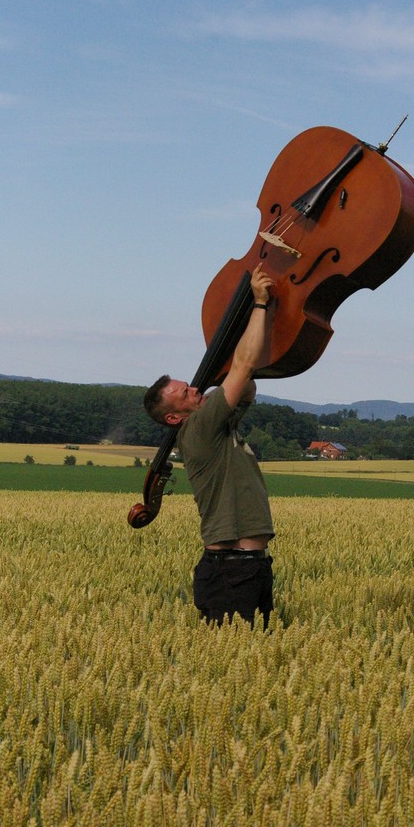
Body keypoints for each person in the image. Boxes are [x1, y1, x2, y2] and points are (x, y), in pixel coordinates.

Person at [143, 264, 275, 628]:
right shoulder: (199, 428)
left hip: (246, 565)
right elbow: (245, 367)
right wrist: (259, 304)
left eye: (192, 384)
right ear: (173, 417)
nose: (197, 389)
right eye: (186, 392)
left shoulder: (216, 425)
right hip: (232, 568)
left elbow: (246, 384)